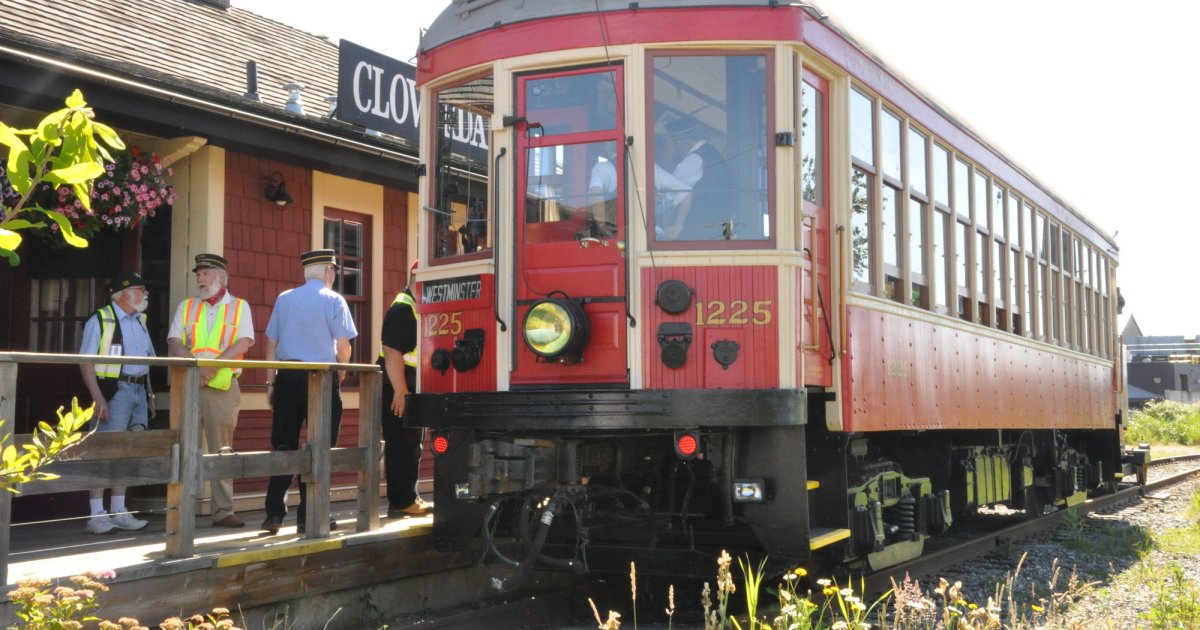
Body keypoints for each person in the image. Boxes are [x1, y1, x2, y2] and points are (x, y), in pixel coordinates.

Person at [261, 249, 358, 535]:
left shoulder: (284, 299)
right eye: (334, 271)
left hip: (288, 376)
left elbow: (270, 345)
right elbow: (344, 346)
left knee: (283, 444)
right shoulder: (335, 300)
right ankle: (311, 514)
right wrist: (341, 371)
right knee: (320, 445)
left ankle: (274, 515)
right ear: (328, 271)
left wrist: (271, 383)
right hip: (322, 377)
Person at [166, 253, 254, 528]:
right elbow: (174, 341)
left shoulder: (239, 306)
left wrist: (212, 367)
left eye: (205, 273)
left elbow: (244, 342)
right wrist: (197, 366)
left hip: (223, 385)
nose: (200, 279)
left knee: (222, 449)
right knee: (186, 447)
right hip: (190, 385)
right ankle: (183, 509)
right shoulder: (186, 306)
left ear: (222, 277)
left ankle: (223, 511)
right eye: (198, 274)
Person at [79, 271, 154, 534]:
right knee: (104, 451)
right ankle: (96, 515)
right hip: (114, 391)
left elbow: (148, 360)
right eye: (141, 289)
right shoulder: (100, 319)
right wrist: (97, 397)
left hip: (138, 391)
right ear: (125, 293)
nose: (145, 294)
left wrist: (148, 394)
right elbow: (85, 362)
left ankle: (119, 510)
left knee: (127, 452)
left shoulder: (141, 320)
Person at [379, 259, 430, 517]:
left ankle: (408, 497)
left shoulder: (413, 305)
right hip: (397, 385)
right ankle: (402, 502)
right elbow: (391, 351)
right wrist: (400, 390)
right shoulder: (404, 307)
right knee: (402, 443)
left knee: (411, 443)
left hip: (406, 383)